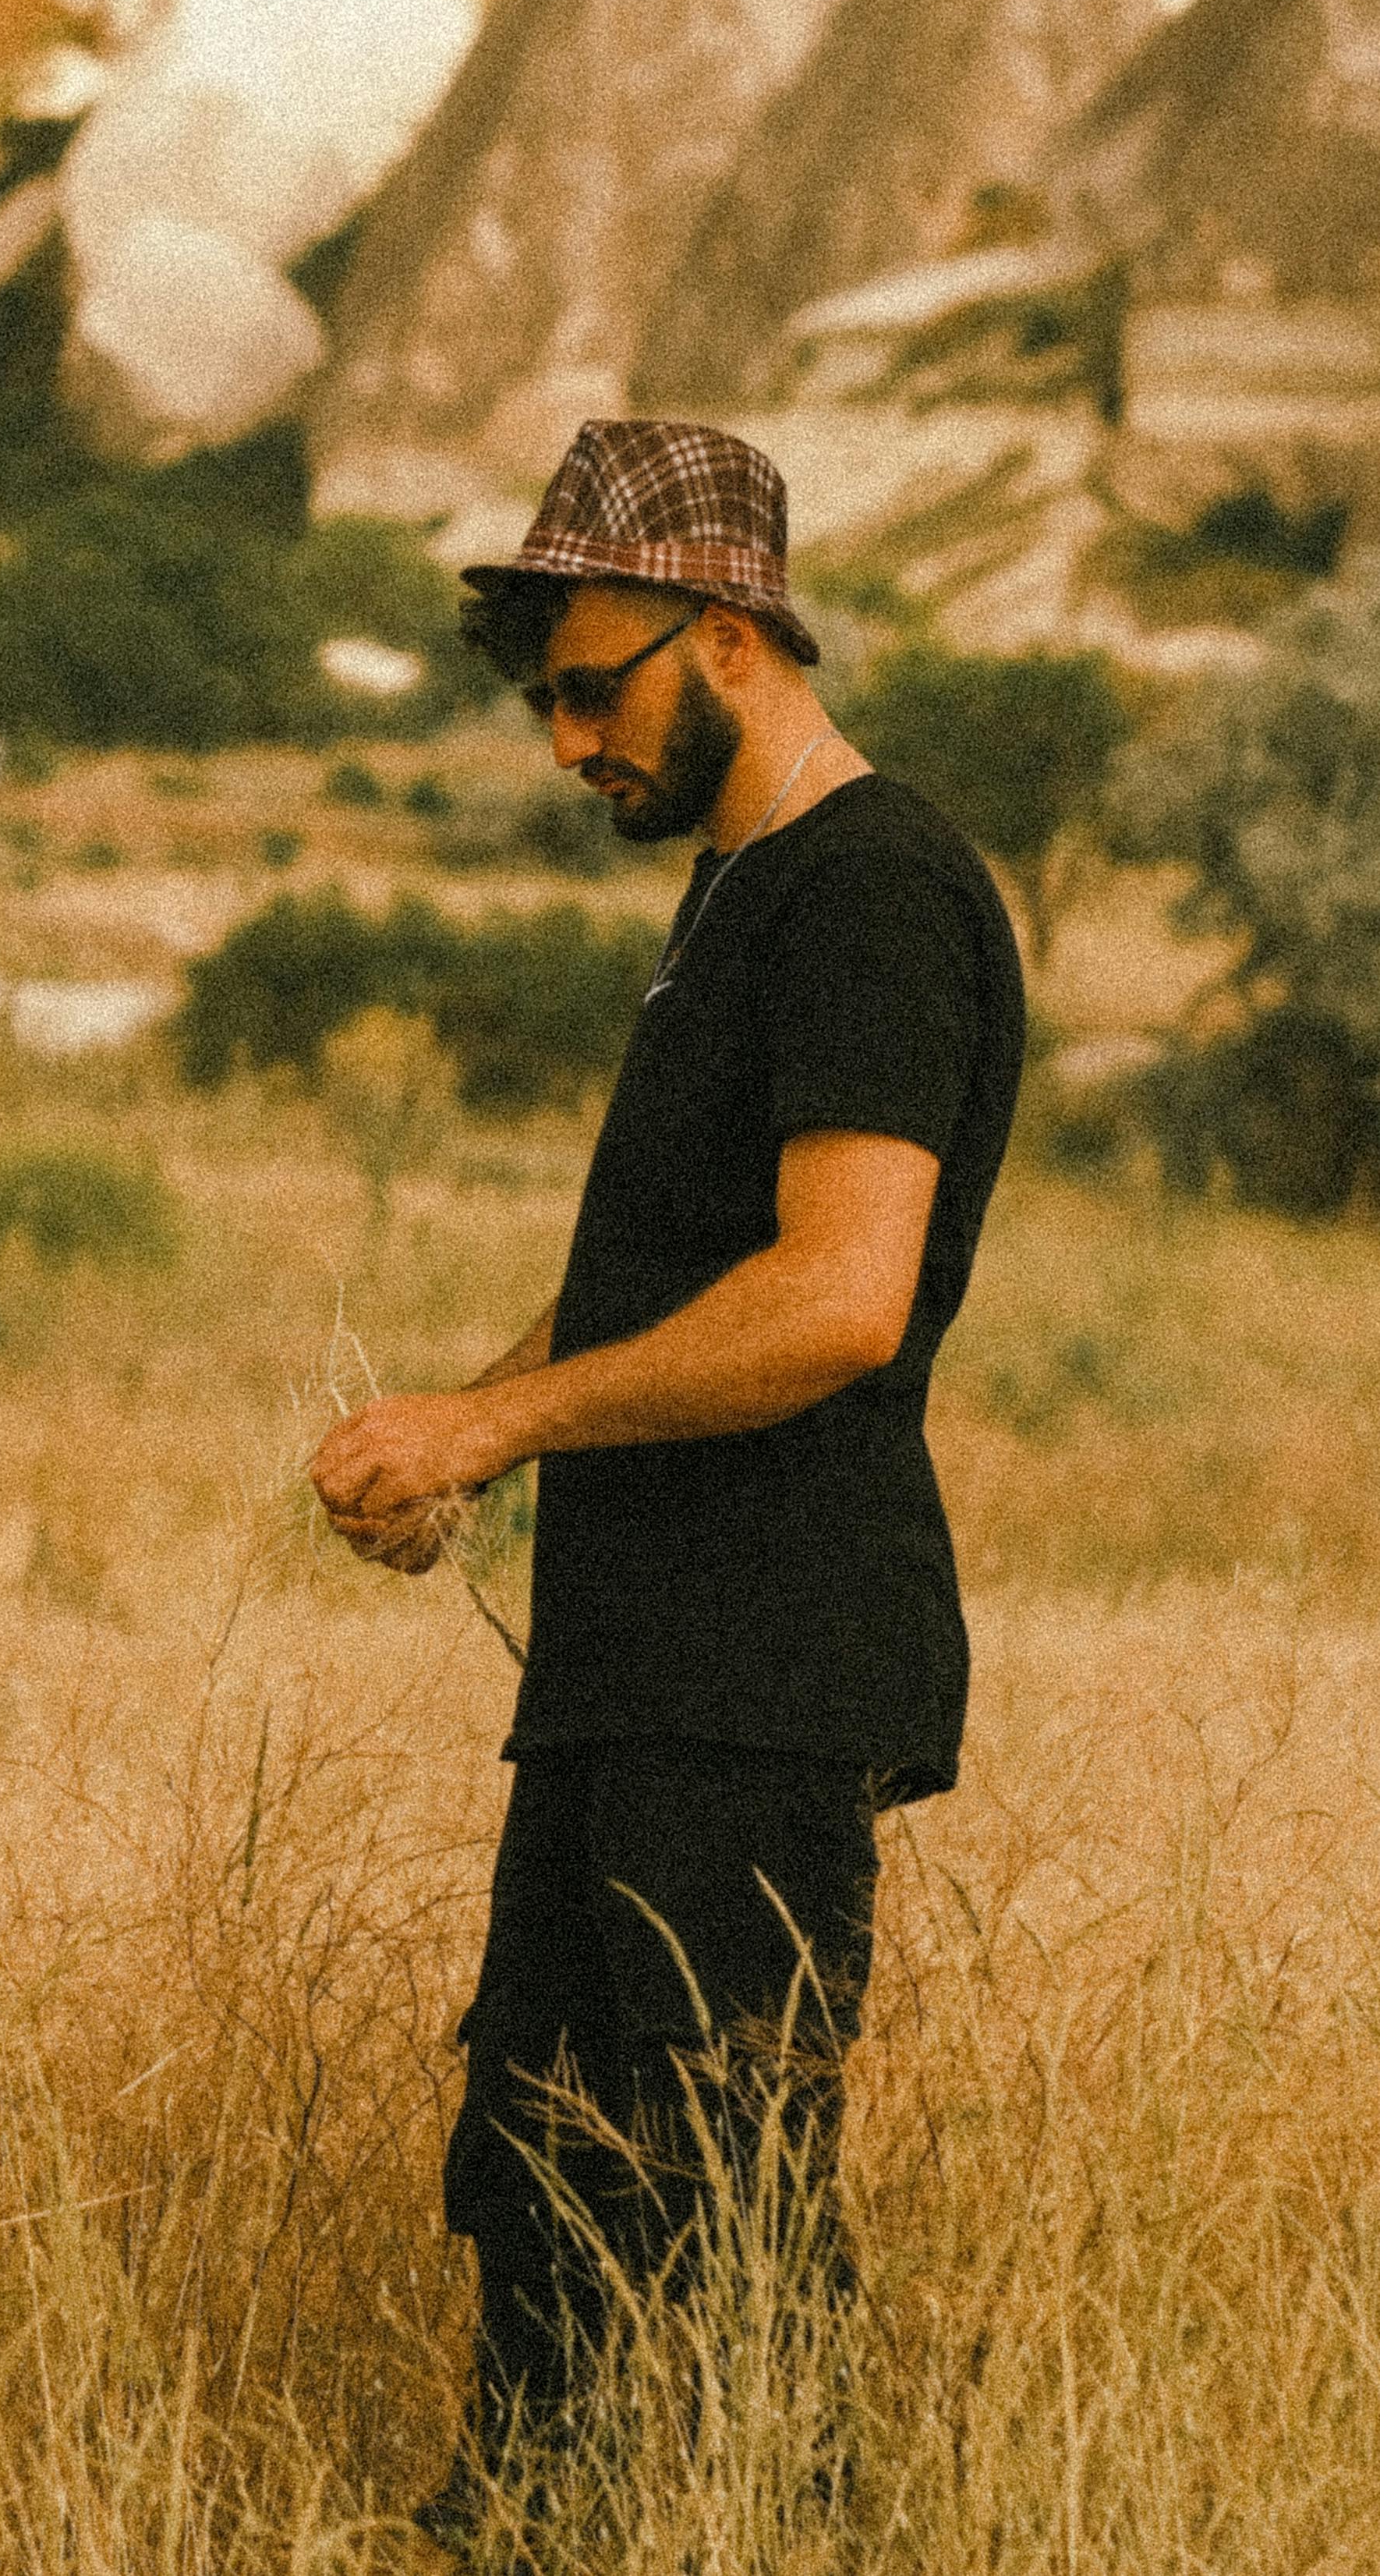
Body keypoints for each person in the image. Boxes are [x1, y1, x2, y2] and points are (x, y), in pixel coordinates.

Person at [310, 419, 1025, 2550]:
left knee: (719, 2224)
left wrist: (495, 1430)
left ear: (727, 636)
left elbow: (833, 1301)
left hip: (761, 1669)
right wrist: (452, 1420)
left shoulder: (871, 890)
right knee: (542, 2188)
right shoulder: (731, 899)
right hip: (645, 1672)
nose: (560, 743)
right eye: (537, 699)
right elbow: (669, 1284)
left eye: (591, 685)